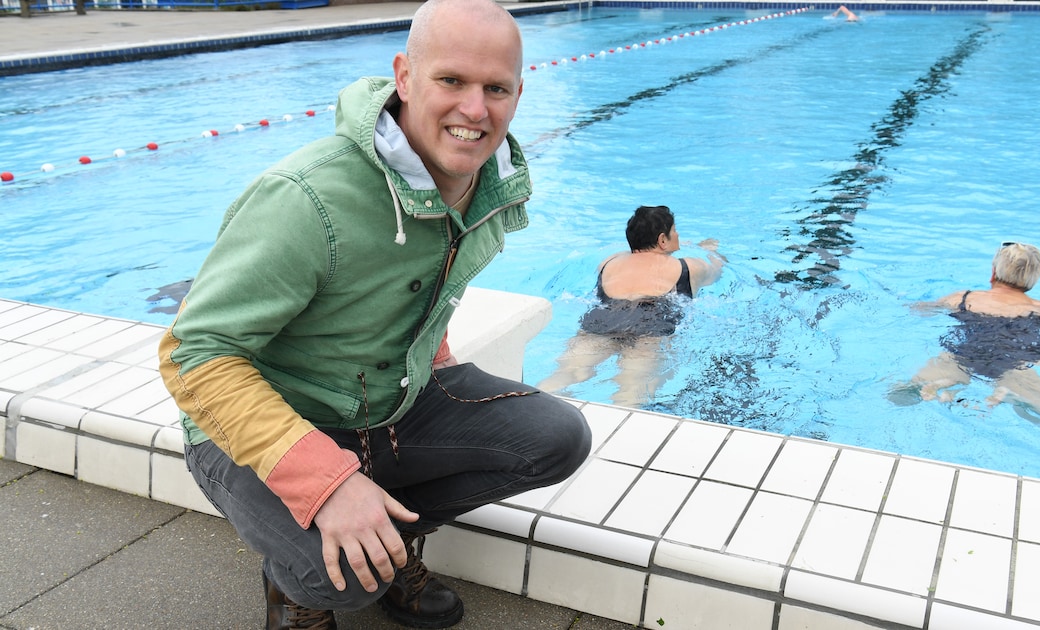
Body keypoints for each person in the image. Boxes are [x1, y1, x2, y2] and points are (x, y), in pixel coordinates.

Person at [156, 1, 592, 628]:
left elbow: (423, 288)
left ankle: (389, 537)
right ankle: (298, 583)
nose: (476, 110)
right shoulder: (308, 199)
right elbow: (193, 355)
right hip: (264, 424)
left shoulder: (491, 183)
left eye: (495, 88)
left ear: (518, 93)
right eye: (452, 80)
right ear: (404, 77)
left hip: (387, 402)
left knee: (556, 440)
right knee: (338, 580)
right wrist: (325, 481)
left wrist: (431, 364)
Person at [537, 205, 725, 408]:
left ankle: (534, 411)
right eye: (675, 231)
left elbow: (641, 254)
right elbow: (717, 269)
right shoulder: (691, 268)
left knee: (567, 373)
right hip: (650, 324)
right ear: (663, 240)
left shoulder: (609, 261)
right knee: (632, 386)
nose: (678, 235)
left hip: (603, 319)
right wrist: (709, 251)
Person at [895, 242, 1040, 422]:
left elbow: (920, 310)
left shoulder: (964, 297)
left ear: (993, 273)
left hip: (965, 354)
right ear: (1033, 281)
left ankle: (945, 381)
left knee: (902, 392)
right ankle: (1011, 393)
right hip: (1015, 361)